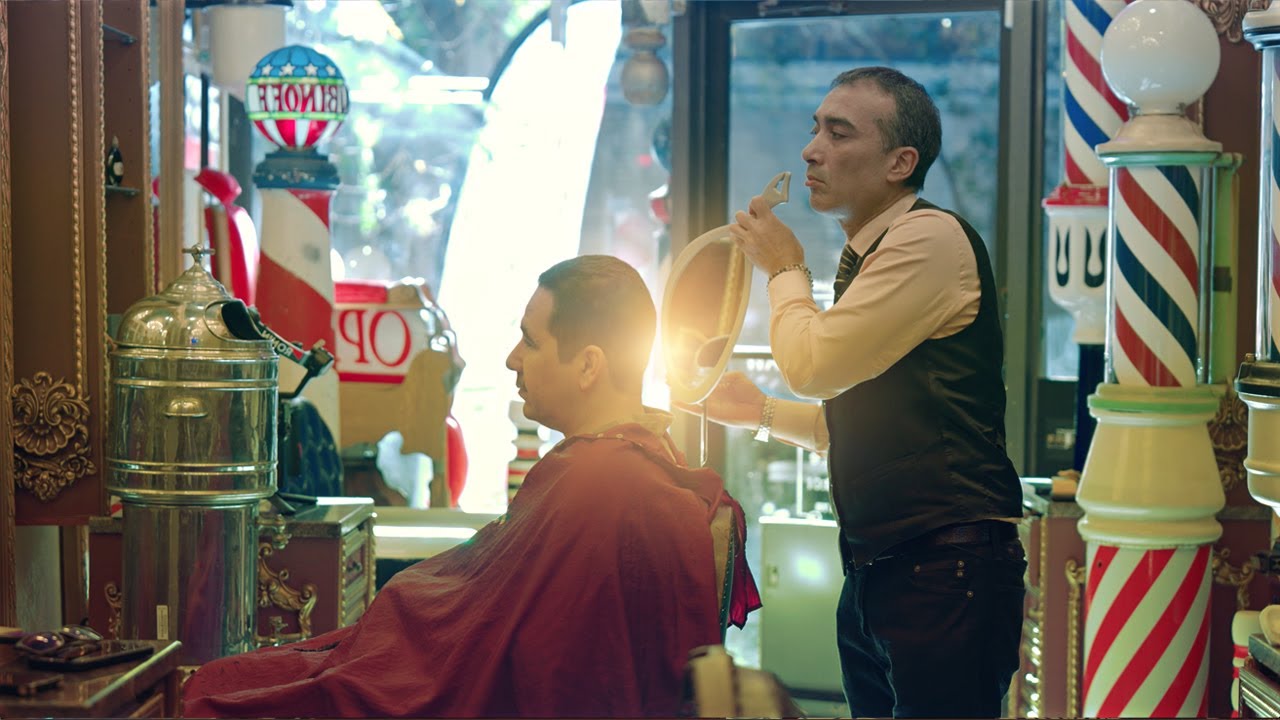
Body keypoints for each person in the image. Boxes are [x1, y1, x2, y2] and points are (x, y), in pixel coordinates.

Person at [183, 255, 760, 718]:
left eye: (530, 342)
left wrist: (403, 604)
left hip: (437, 681)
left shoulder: (596, 480)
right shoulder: (641, 456)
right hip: (427, 646)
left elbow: (499, 647)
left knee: (216, 690)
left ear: (588, 365)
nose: (513, 360)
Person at [689, 66, 1026, 717]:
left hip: (944, 568)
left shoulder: (929, 238)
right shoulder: (875, 255)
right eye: (814, 129)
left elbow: (813, 365)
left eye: (838, 133)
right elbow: (873, 425)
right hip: (885, 567)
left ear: (901, 161)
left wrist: (786, 267)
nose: (811, 150)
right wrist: (756, 412)